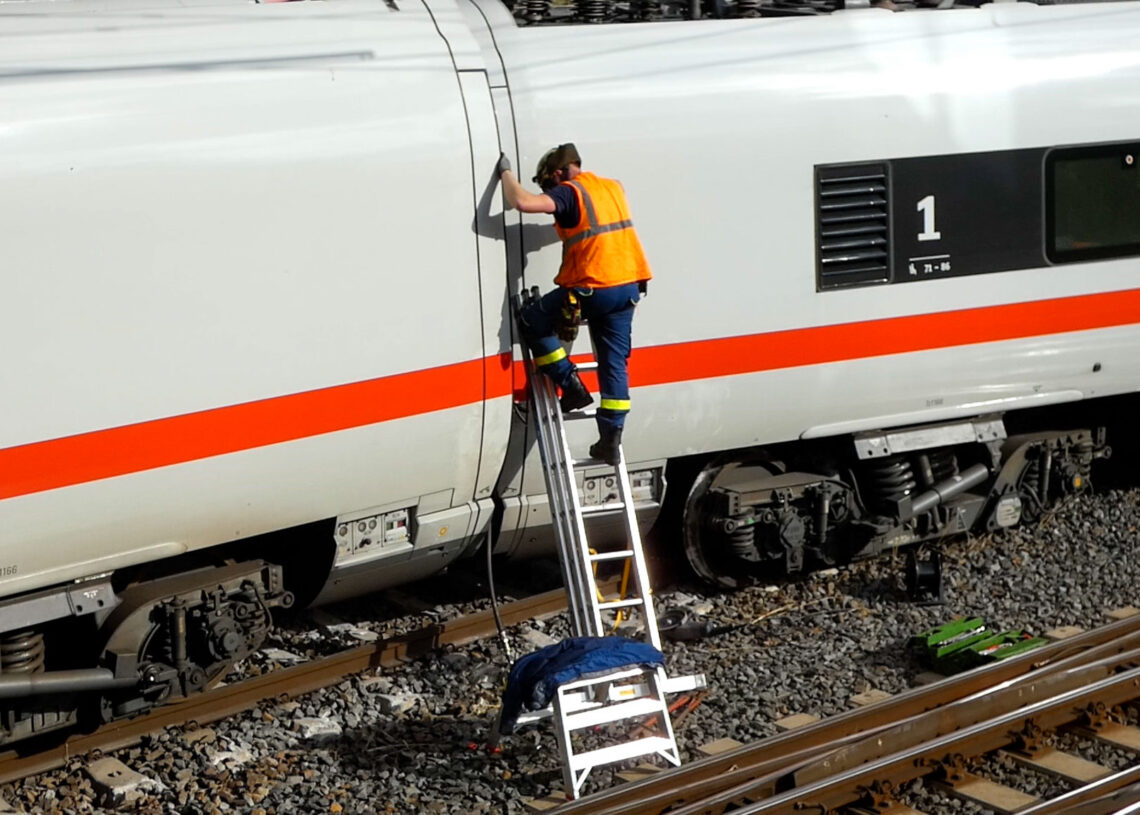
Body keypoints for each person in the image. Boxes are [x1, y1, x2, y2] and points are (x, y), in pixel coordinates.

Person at [497, 144, 652, 465]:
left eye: (548, 185)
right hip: (628, 288)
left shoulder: (569, 192)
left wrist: (505, 173)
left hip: (593, 287)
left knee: (533, 320)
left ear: (557, 174)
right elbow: (589, 227)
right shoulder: (611, 188)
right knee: (613, 362)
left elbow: (522, 201)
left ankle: (570, 383)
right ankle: (610, 439)